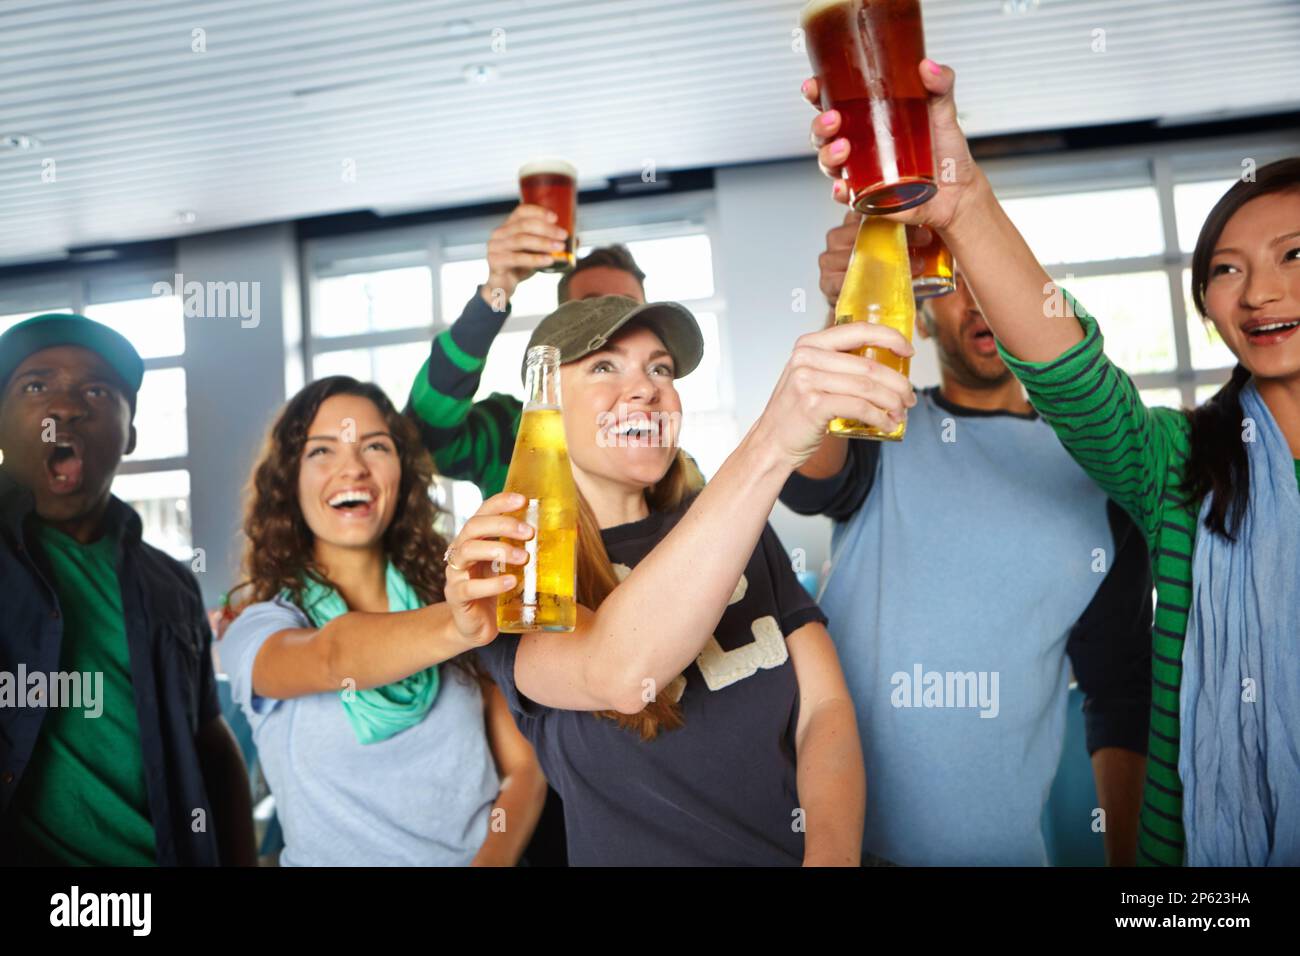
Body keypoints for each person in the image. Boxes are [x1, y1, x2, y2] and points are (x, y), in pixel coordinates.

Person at [807, 60, 1300, 866]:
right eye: (1226, 269)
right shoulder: (1177, 465)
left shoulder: (1102, 487)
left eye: (1294, 253)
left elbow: (1118, 688)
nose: (1259, 292)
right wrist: (952, 210)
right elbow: (1075, 379)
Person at [452, 293, 914, 865]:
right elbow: (620, 672)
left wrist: (831, 857)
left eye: (660, 369)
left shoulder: (734, 528)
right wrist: (773, 440)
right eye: (603, 365)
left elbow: (825, 710)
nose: (646, 387)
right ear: (544, 406)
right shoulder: (512, 569)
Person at [782, 216, 1153, 865]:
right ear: (921, 319)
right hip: (829, 851)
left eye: (992, 274)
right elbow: (804, 486)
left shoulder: (1102, 476)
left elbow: (1120, 694)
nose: (978, 297)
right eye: (953, 280)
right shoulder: (881, 422)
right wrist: (843, 318)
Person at [403, 207, 658, 864]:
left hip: (651, 722)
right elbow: (423, 436)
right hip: (542, 712)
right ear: (558, 334)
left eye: (626, 315)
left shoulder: (666, 457)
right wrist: (496, 292)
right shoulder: (519, 429)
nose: (609, 332)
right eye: (590, 312)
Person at [218, 376, 546, 866]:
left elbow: (524, 769)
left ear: (403, 472)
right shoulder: (257, 628)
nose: (352, 468)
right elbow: (333, 655)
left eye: (374, 446)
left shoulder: (453, 600)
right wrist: (455, 627)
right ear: (288, 481)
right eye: (321, 451)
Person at [0, 312, 255, 866]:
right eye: (35, 385)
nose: (66, 406)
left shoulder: (171, 585)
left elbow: (208, 736)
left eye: (96, 389)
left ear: (131, 433)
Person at [406, 207, 650, 500]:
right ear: (563, 324)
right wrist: (499, 288)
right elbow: (422, 439)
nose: (611, 322)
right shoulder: (511, 433)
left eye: (627, 307)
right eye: (590, 306)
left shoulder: (659, 446)